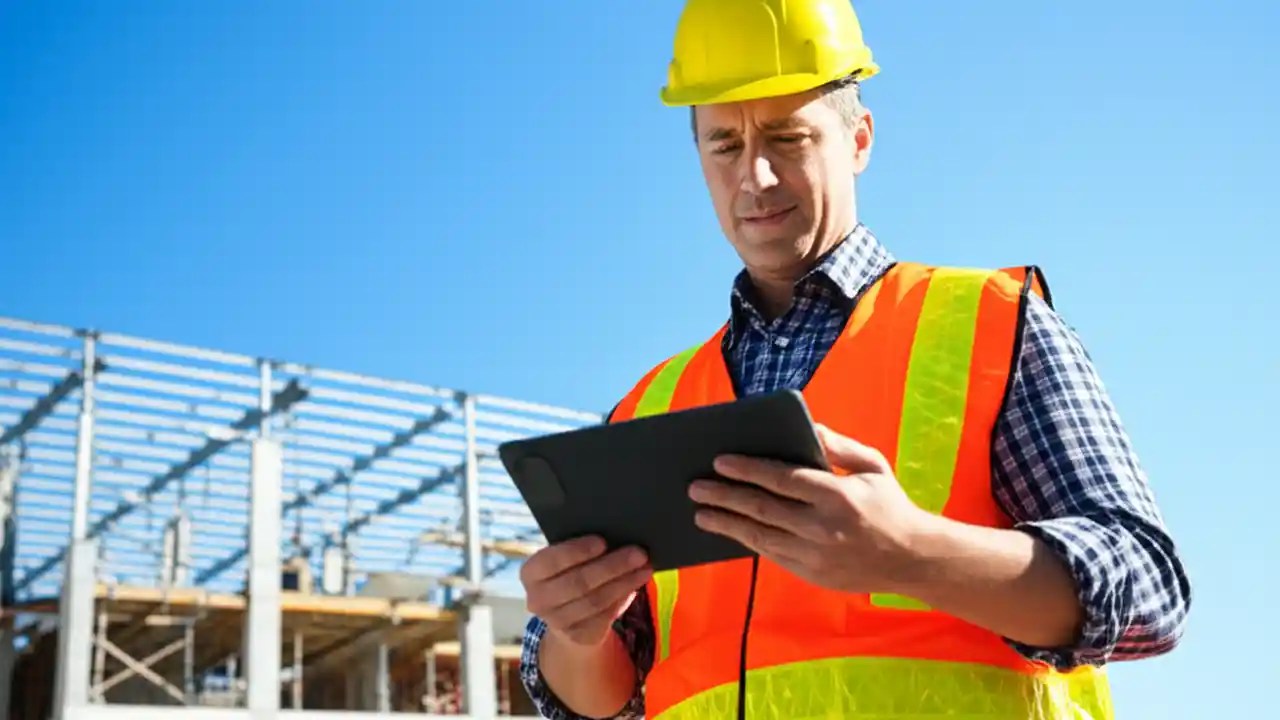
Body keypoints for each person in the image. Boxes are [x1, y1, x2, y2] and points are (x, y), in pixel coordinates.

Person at [516, 1, 1191, 718]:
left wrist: (909, 552)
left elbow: (1149, 591)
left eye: (787, 137)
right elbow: (601, 701)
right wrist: (574, 630)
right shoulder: (648, 405)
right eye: (724, 146)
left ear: (859, 138)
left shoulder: (991, 325)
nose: (757, 177)